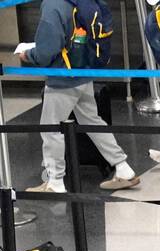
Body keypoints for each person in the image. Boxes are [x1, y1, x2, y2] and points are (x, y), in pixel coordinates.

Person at [21, 0, 140, 192]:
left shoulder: (53, 5)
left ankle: (55, 182)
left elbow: (47, 50)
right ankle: (123, 168)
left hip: (63, 78)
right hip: (83, 72)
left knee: (51, 129)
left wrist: (28, 55)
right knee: (92, 121)